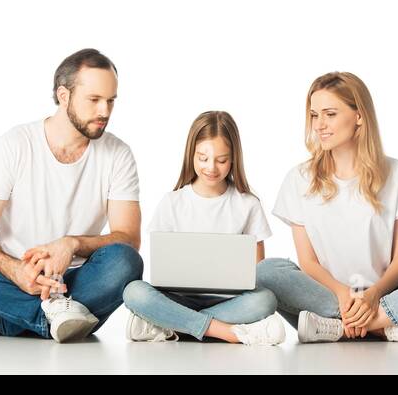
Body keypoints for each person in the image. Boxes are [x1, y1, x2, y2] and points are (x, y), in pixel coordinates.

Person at [0, 48, 142, 342]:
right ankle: (47, 317)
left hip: (71, 286)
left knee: (126, 261)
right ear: (64, 96)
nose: (104, 111)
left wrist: (72, 244)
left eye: (111, 101)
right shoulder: (14, 145)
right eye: (94, 100)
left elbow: (129, 237)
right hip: (4, 277)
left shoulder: (118, 154)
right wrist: (16, 270)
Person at [256, 72, 398, 344]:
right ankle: (389, 327)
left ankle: (341, 327)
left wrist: (373, 297)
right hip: (328, 294)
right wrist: (341, 294)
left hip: (388, 293)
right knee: (264, 272)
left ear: (359, 115)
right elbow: (308, 262)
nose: (319, 125)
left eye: (330, 114)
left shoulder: (396, 174)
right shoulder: (298, 179)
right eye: (314, 115)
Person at [122, 111, 285, 346]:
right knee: (134, 291)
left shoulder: (247, 204)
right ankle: (222, 331)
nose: (211, 167)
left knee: (266, 300)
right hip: (178, 299)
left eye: (221, 160)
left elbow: (257, 270)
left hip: (230, 302)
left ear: (233, 159)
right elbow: (160, 263)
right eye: (203, 158)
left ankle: (171, 325)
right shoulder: (172, 202)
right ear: (191, 155)